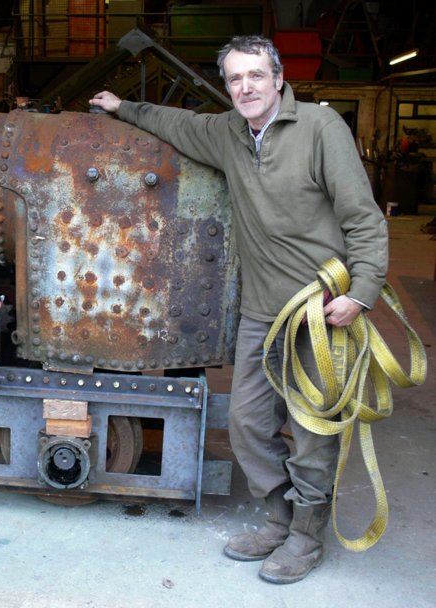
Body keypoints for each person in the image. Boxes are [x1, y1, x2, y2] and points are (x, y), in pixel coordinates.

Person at [90, 35, 388, 584]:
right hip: (262, 311)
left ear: (278, 78)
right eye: (234, 79)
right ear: (227, 86)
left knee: (314, 426)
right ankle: (278, 517)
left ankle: (305, 534)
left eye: (255, 75)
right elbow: (175, 122)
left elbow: (364, 218)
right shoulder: (229, 132)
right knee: (250, 421)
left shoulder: (322, 129)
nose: (245, 87)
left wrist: (361, 291)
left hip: (319, 310)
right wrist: (123, 108)